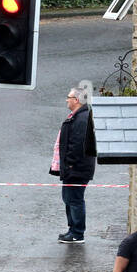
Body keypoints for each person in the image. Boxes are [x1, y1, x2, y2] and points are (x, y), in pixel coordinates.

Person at [51, 85, 96, 244]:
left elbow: (77, 146)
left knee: (75, 200)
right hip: (73, 169)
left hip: (77, 169)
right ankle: (72, 230)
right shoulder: (77, 116)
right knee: (68, 198)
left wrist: (69, 166)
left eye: (69, 97)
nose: (67, 100)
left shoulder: (81, 119)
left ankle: (77, 233)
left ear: (76, 100)